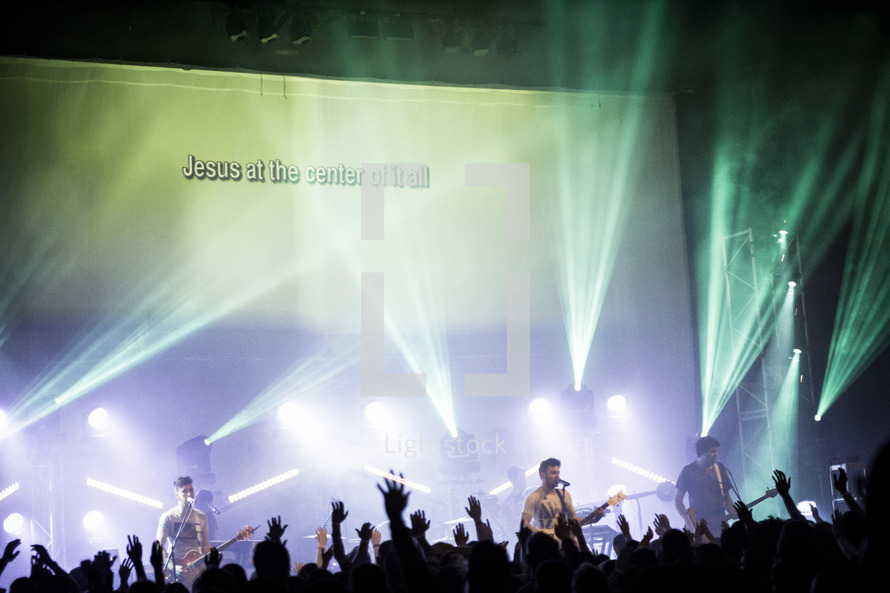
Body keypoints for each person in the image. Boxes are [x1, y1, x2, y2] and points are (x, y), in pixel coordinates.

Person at [521, 458, 603, 537]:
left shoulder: (564, 494)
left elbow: (573, 519)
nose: (557, 476)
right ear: (542, 474)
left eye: (558, 473)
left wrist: (594, 520)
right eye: (553, 473)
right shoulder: (533, 497)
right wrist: (541, 537)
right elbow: (525, 523)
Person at [674, 436, 736, 532]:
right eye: (712, 451)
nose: (716, 454)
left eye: (717, 451)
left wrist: (732, 510)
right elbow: (678, 501)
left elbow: (726, 496)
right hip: (701, 525)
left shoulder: (720, 469)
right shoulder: (688, 471)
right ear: (702, 451)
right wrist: (689, 521)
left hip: (721, 523)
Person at [156, 476, 211, 584]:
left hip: (198, 570)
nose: (189, 494)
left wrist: (212, 558)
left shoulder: (201, 516)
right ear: (177, 495)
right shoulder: (168, 517)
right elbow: (159, 547)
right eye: (185, 491)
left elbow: (205, 544)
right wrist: (173, 567)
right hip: (177, 572)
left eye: (191, 490)